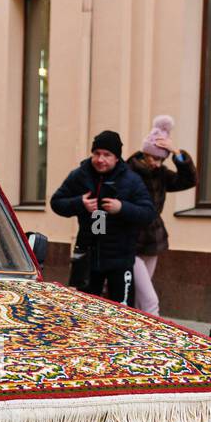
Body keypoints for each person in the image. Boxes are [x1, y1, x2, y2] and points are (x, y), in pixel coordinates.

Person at [50, 130, 155, 306]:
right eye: (97, 154)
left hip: (120, 258)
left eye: (107, 155)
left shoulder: (131, 180)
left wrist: (122, 208)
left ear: (116, 158)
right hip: (87, 257)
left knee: (122, 312)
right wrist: (79, 203)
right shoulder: (80, 175)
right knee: (84, 310)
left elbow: (148, 213)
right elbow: (56, 202)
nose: (100, 159)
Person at [126, 115, 197, 315]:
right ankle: (155, 338)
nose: (157, 163)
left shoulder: (161, 174)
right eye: (155, 157)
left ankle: (138, 336)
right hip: (132, 242)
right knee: (150, 300)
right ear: (145, 153)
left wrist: (177, 153)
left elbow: (189, 180)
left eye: (161, 159)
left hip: (153, 241)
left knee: (140, 299)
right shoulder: (129, 171)